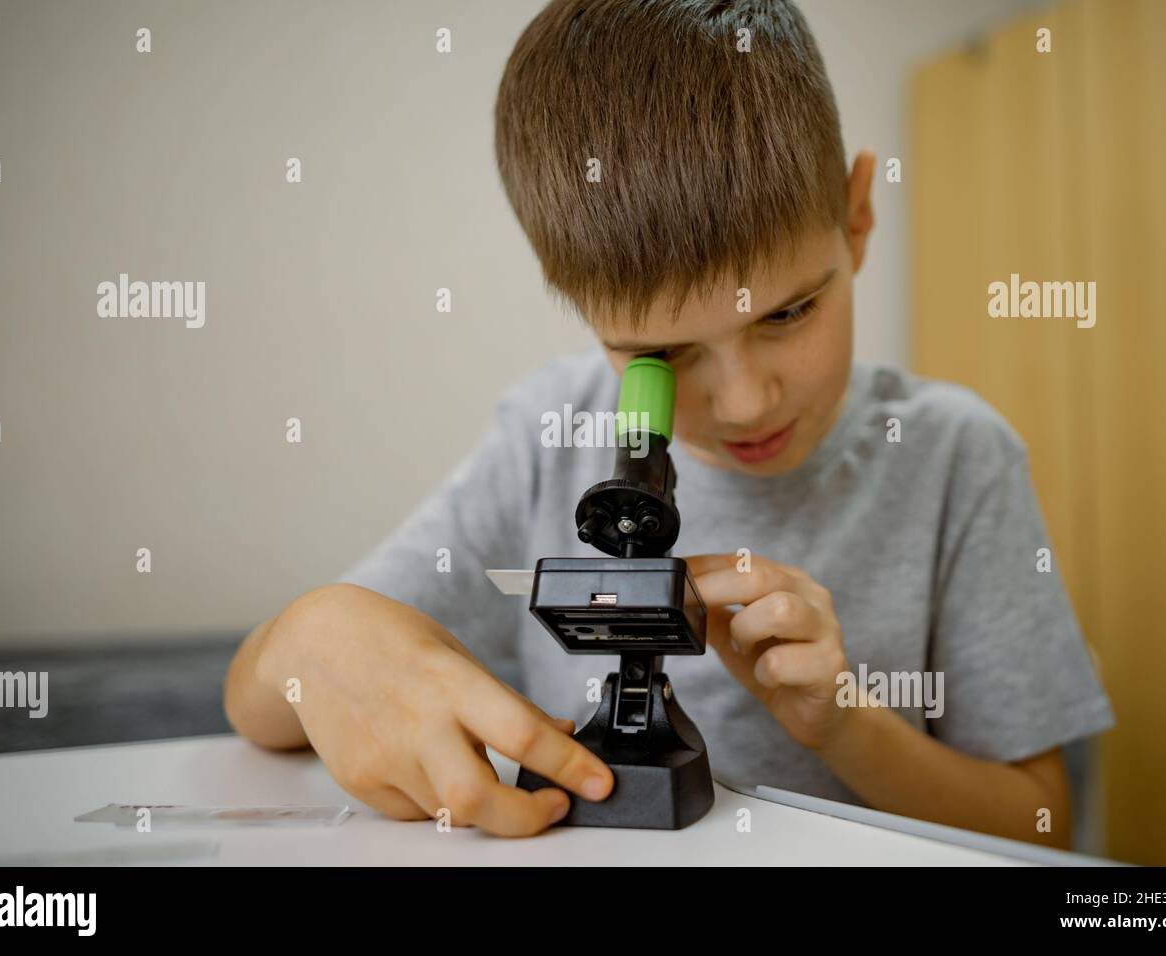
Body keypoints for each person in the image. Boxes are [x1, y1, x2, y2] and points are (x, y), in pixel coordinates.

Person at [224, 0, 1114, 845]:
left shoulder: (956, 459)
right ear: (585, 313)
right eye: (664, 355)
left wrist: (844, 724)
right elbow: (255, 704)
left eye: (789, 313)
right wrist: (314, 633)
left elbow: (1038, 823)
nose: (745, 402)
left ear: (857, 218)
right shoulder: (547, 434)